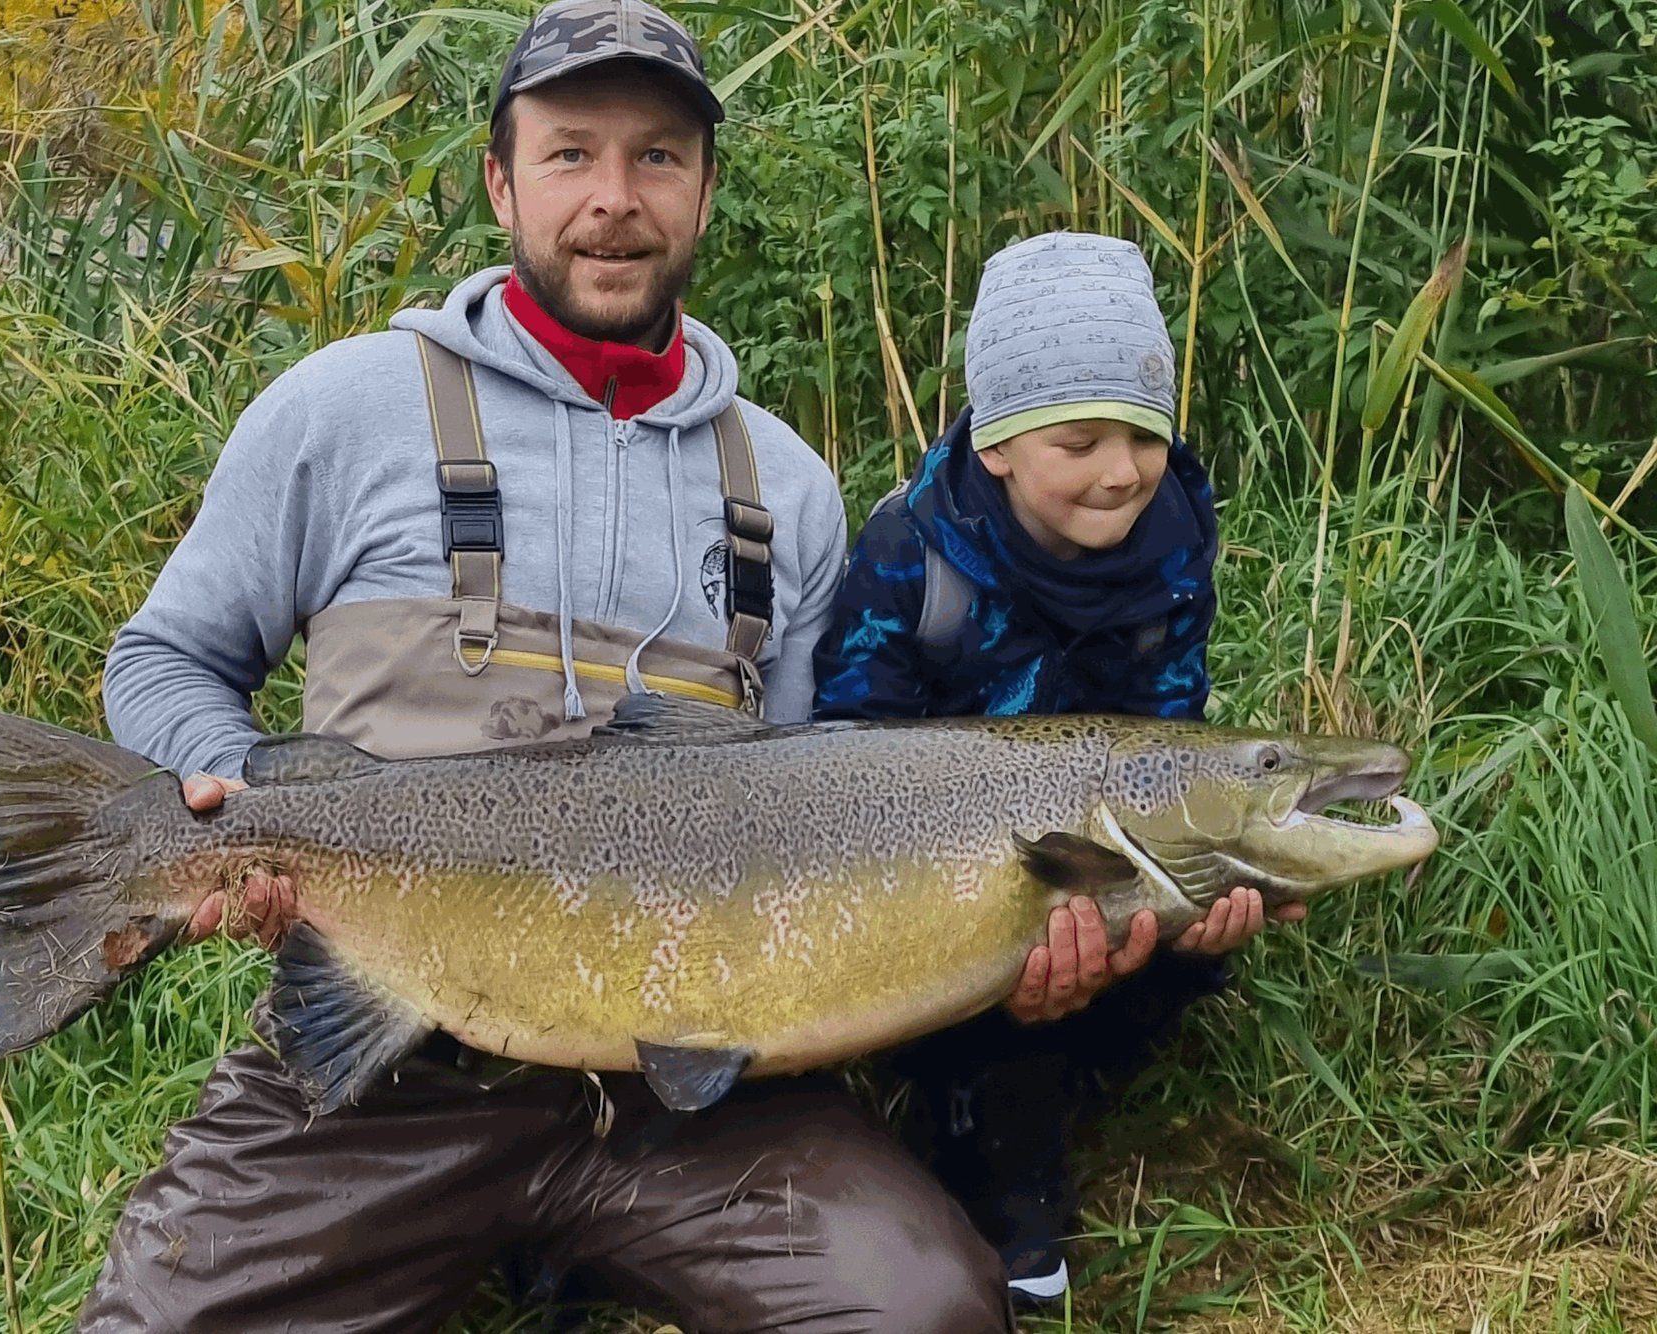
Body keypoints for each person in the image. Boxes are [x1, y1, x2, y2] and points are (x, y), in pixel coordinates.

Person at [79, 3, 1015, 1329]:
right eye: (571, 154)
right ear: (501, 182)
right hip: (392, 1066)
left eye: (658, 159)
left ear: (703, 188)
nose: (615, 202)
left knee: (926, 1311)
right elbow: (169, 655)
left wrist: (1002, 928)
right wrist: (230, 801)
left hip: (704, 1096)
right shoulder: (342, 411)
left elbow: (814, 807)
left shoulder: (790, 486)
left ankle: (585, 1245)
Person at [810, 231, 1306, 1307]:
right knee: (995, 996)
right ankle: (989, 1167)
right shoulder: (911, 552)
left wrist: (1205, 872)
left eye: (1140, 432)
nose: (1120, 468)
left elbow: (1168, 725)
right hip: (941, 869)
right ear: (995, 446)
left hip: (1095, 839)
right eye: (1078, 441)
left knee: (1197, 934)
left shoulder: (1174, 536)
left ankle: (1087, 1059)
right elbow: (845, 757)